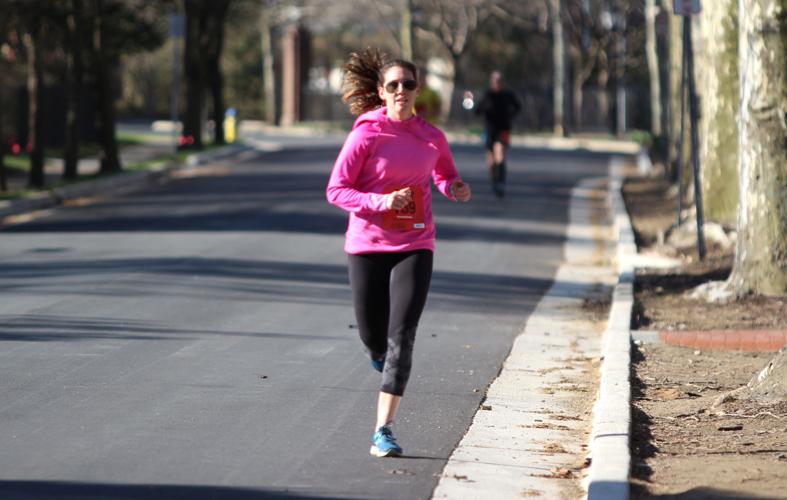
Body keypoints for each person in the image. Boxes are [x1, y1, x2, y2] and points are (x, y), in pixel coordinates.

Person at [326, 49, 471, 458]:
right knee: (375, 338)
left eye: (408, 84)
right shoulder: (365, 135)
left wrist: (454, 188)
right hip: (368, 244)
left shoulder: (431, 136)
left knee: (402, 338)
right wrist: (382, 203)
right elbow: (336, 190)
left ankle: (382, 430)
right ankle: (379, 356)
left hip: (416, 242)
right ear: (381, 92)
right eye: (393, 86)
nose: (401, 91)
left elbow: (444, 174)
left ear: (417, 90)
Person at [475, 71, 521, 198]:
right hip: (490, 130)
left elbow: (517, 107)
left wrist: (510, 115)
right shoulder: (487, 95)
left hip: (503, 129)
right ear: (491, 83)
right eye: (495, 81)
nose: (497, 84)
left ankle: (501, 182)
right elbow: (477, 110)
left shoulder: (508, 95)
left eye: (500, 81)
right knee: (491, 160)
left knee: (500, 154)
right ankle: (494, 180)